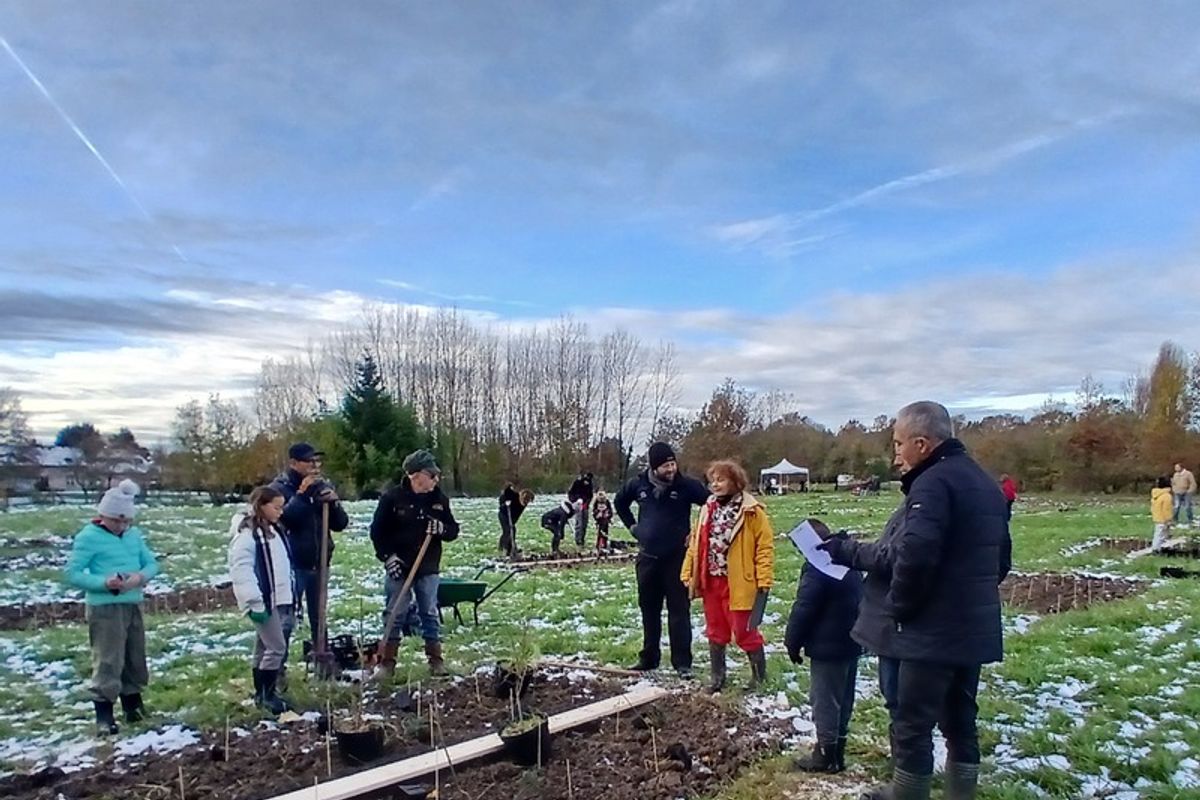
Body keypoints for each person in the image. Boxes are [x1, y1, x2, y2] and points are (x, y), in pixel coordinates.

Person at [820, 401, 1011, 800]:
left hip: (928, 632)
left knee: (912, 724)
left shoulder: (932, 484)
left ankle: (907, 793)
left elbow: (913, 556)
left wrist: (900, 610)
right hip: (969, 626)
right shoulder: (984, 482)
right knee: (961, 720)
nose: (895, 456)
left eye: (898, 444)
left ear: (922, 444)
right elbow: (1001, 559)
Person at [65, 479, 160, 735]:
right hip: (105, 608)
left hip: (132, 603)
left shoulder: (133, 536)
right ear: (103, 515)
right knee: (108, 659)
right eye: (117, 521)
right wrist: (103, 583)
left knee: (134, 656)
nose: (121, 526)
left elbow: (152, 564)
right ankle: (104, 714)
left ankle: (133, 706)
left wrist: (140, 578)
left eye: (126, 521)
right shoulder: (88, 538)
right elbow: (73, 573)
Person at [615, 442, 709, 676]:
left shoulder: (686, 486)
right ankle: (649, 658)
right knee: (649, 609)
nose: (671, 469)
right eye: (666, 466)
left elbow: (711, 504)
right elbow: (620, 502)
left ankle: (682, 663)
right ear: (654, 467)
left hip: (677, 558)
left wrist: (697, 532)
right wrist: (633, 527)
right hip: (648, 558)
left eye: (673, 464)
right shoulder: (638, 485)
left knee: (679, 610)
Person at [681, 460, 774, 692]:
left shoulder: (752, 512)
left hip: (739, 581)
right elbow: (696, 543)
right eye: (712, 481)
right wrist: (688, 570)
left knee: (744, 630)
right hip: (711, 580)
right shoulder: (707, 509)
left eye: (721, 480)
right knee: (715, 628)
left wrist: (764, 579)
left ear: (735, 482)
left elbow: (764, 548)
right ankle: (717, 677)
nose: (715, 485)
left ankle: (759, 677)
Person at [370, 449, 460, 676]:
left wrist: (442, 529)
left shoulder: (439, 499)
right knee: (395, 612)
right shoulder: (392, 499)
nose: (436, 479)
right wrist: (388, 557)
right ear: (416, 475)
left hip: (428, 566)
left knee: (429, 612)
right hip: (400, 565)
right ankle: (387, 663)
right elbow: (377, 532)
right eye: (432, 475)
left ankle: (436, 661)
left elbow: (453, 530)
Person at [785, 518, 864, 774]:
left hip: (827, 645)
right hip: (852, 640)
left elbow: (804, 607)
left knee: (826, 701)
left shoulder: (817, 566)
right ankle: (837, 752)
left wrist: (792, 641)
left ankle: (825, 755)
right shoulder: (849, 557)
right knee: (844, 699)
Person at [269, 443, 348, 653]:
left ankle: (322, 659)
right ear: (294, 463)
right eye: (309, 461)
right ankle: (276, 664)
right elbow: (287, 519)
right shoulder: (279, 489)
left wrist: (333, 504)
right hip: (292, 563)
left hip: (319, 561)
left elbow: (340, 524)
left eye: (317, 461)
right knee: (286, 617)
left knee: (319, 617)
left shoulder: (322, 486)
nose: (315, 466)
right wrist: (303, 495)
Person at [228, 486, 293, 714]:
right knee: (276, 647)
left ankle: (262, 694)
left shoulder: (272, 532)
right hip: (260, 600)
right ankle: (267, 694)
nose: (280, 512)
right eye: (276, 507)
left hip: (274, 598)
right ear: (261, 506)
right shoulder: (248, 537)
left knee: (264, 647)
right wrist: (254, 601)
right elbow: (242, 571)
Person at [498, 483, 534, 558]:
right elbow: (506, 493)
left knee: (512, 531)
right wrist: (508, 486)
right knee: (508, 531)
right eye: (526, 500)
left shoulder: (523, 504)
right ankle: (505, 548)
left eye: (528, 501)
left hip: (512, 518)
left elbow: (517, 514)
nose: (526, 502)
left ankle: (509, 548)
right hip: (504, 515)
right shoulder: (514, 496)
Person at [568, 471, 595, 547]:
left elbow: (590, 495)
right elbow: (571, 493)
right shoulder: (577, 482)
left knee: (584, 524)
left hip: (585, 505)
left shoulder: (590, 483)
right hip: (578, 504)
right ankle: (578, 540)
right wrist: (575, 501)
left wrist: (587, 503)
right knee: (579, 523)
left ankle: (582, 539)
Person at [1152, 476, 1174, 552]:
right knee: (1162, 535)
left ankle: (1158, 548)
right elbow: (1167, 510)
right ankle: (1157, 549)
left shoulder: (1156, 495)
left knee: (1158, 534)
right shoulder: (1167, 496)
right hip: (1164, 519)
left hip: (1157, 517)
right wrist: (1169, 520)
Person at [1172, 463, 1196, 527]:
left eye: (1177, 467)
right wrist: (1174, 490)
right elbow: (1173, 483)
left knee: (1187, 506)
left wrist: (1190, 491)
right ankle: (1175, 519)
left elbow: (1193, 483)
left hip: (1186, 493)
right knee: (1177, 506)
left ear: (1181, 467)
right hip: (1177, 493)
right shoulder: (1175, 474)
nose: (1176, 469)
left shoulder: (1188, 474)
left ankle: (1190, 519)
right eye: (1175, 467)